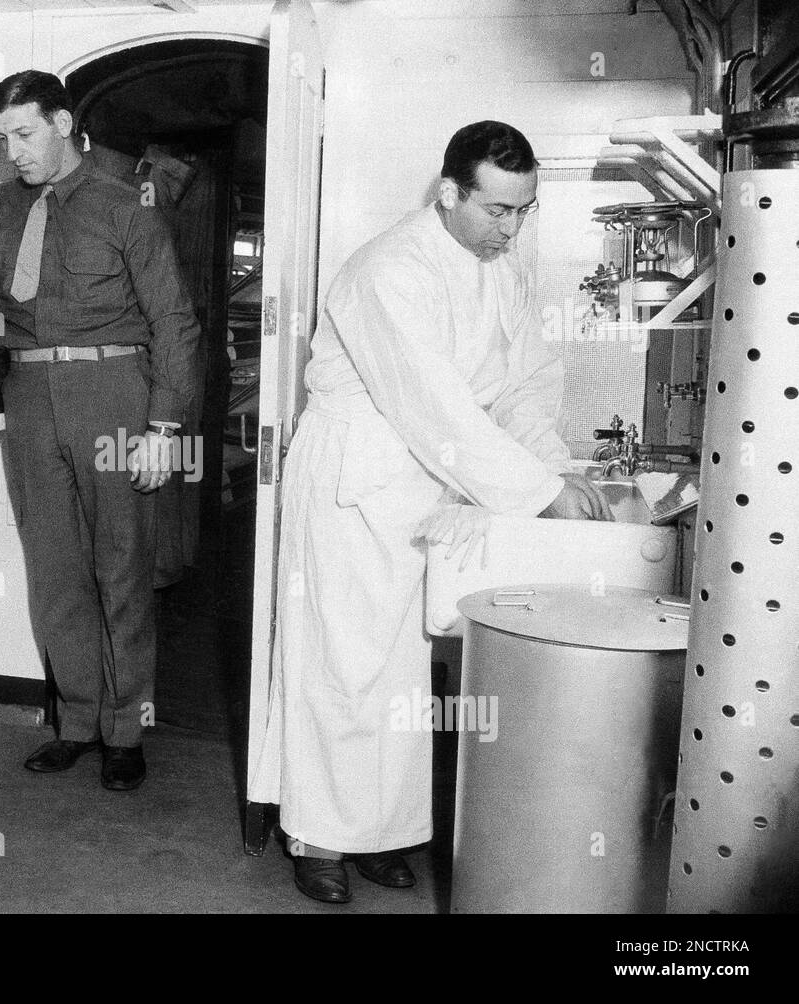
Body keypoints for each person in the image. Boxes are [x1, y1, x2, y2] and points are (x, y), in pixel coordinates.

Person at [249, 121, 613, 903]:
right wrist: (540, 492)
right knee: (342, 663)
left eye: (524, 211)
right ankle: (317, 834)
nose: (511, 229)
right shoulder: (390, 267)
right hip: (357, 475)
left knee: (406, 668)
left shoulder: (500, 269)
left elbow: (518, 389)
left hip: (435, 481)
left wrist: (554, 467)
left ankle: (378, 831)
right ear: (449, 192)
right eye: (497, 211)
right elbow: (432, 405)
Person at [0, 71, 200, 791]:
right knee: (54, 570)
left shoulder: (126, 205)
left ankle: (126, 730)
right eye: (0, 139)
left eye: (24, 135)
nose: (11, 153)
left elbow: (174, 322)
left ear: (61, 122)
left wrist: (162, 427)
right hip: (29, 393)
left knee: (121, 569)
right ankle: (77, 722)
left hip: (113, 388)